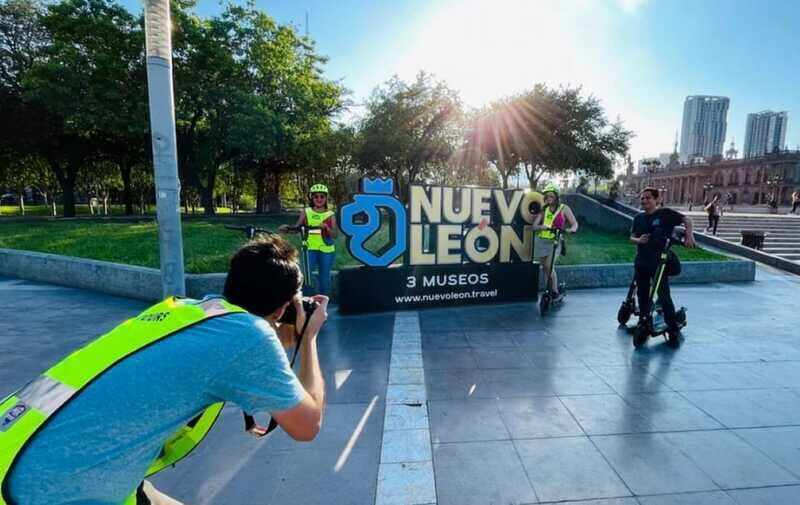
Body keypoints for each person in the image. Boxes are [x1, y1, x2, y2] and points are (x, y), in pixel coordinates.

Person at [2, 234, 328, 505]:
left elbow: (241, 365)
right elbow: (307, 426)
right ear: (284, 306)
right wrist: (309, 339)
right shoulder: (248, 336)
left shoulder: (187, 311)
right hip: (51, 492)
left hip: (21, 454)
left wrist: (283, 334)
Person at [630, 187, 696, 347]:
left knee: (663, 295)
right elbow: (631, 237)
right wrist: (639, 241)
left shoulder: (665, 214)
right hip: (642, 260)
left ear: (657, 199)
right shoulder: (638, 218)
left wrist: (689, 235)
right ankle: (643, 322)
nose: (645, 201)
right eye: (642, 198)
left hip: (659, 261)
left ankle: (672, 328)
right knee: (642, 293)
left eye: (648, 198)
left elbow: (687, 219)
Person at [281, 183, 337, 296]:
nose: (319, 199)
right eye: (316, 196)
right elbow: (297, 228)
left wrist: (326, 227)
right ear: (312, 198)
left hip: (326, 248)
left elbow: (335, 235)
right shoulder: (306, 212)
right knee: (306, 274)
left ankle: (324, 302)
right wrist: (287, 228)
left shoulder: (330, 214)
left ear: (326, 198)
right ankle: (308, 299)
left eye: (322, 196)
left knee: (324, 276)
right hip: (309, 248)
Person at [532, 183, 578, 302]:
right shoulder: (544, 209)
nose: (549, 198)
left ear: (557, 197)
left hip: (555, 241)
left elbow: (575, 224)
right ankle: (553, 288)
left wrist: (571, 229)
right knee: (545, 268)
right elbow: (534, 226)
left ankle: (555, 292)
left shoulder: (564, 208)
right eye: (547, 196)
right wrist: (541, 227)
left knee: (549, 265)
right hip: (541, 241)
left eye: (551, 196)